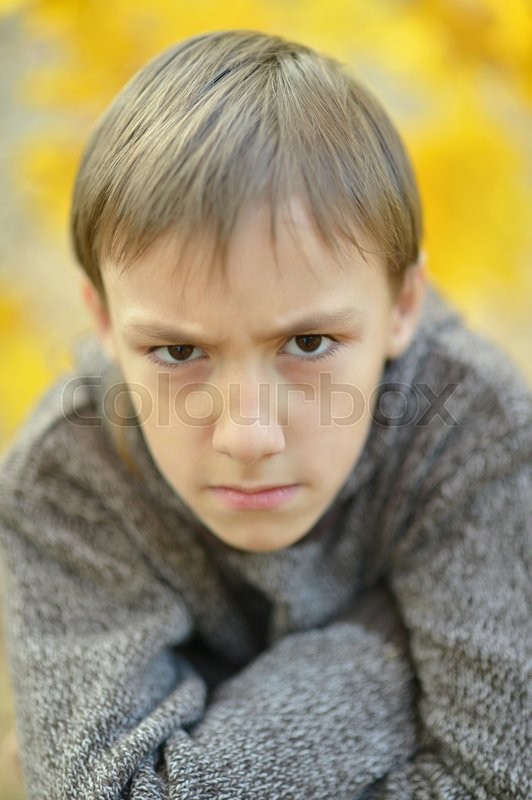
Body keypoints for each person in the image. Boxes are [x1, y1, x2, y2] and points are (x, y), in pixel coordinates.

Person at [0, 29, 530, 800]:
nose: (248, 436)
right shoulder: (67, 477)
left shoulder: (473, 431)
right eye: (179, 353)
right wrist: (383, 648)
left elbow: (501, 782)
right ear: (106, 322)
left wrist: (209, 709)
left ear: (403, 305)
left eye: (308, 342)